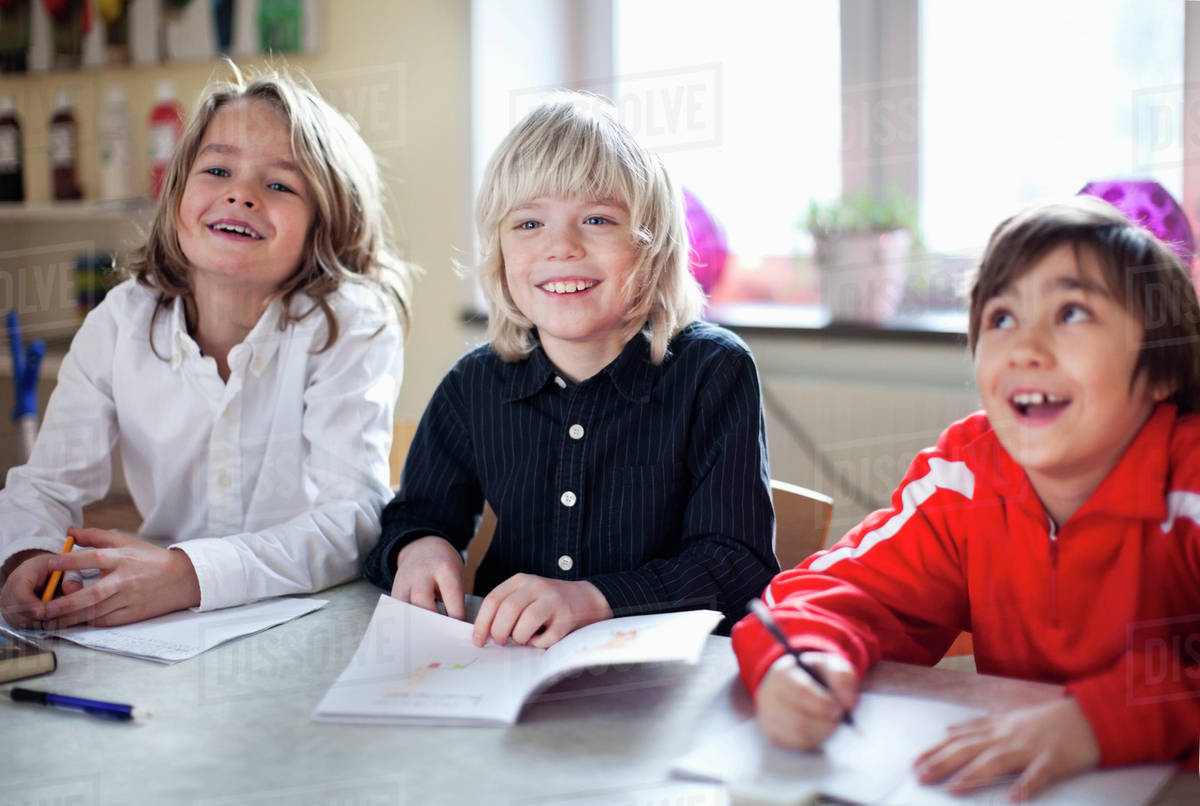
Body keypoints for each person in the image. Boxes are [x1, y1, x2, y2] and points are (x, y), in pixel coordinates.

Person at [733, 196, 1200, 800]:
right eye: (1002, 318)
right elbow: (827, 593)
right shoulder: (967, 476)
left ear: (1163, 371)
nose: (1025, 347)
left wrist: (1101, 720)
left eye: (1073, 313)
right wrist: (801, 659)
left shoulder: (1188, 483)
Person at [0, 65, 412, 629]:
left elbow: (354, 521)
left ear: (327, 222)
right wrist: (25, 557)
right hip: (158, 628)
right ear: (176, 196)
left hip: (315, 615)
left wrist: (189, 574)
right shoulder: (121, 320)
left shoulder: (350, 324)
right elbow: (47, 485)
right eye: (217, 169)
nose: (240, 194)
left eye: (280, 184)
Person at [364, 92, 777, 648]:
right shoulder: (473, 386)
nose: (561, 247)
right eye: (529, 223)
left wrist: (594, 598)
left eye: (598, 219)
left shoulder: (712, 372)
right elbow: (415, 515)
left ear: (651, 247)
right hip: (505, 664)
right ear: (500, 253)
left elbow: (737, 567)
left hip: (664, 684)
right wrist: (420, 547)